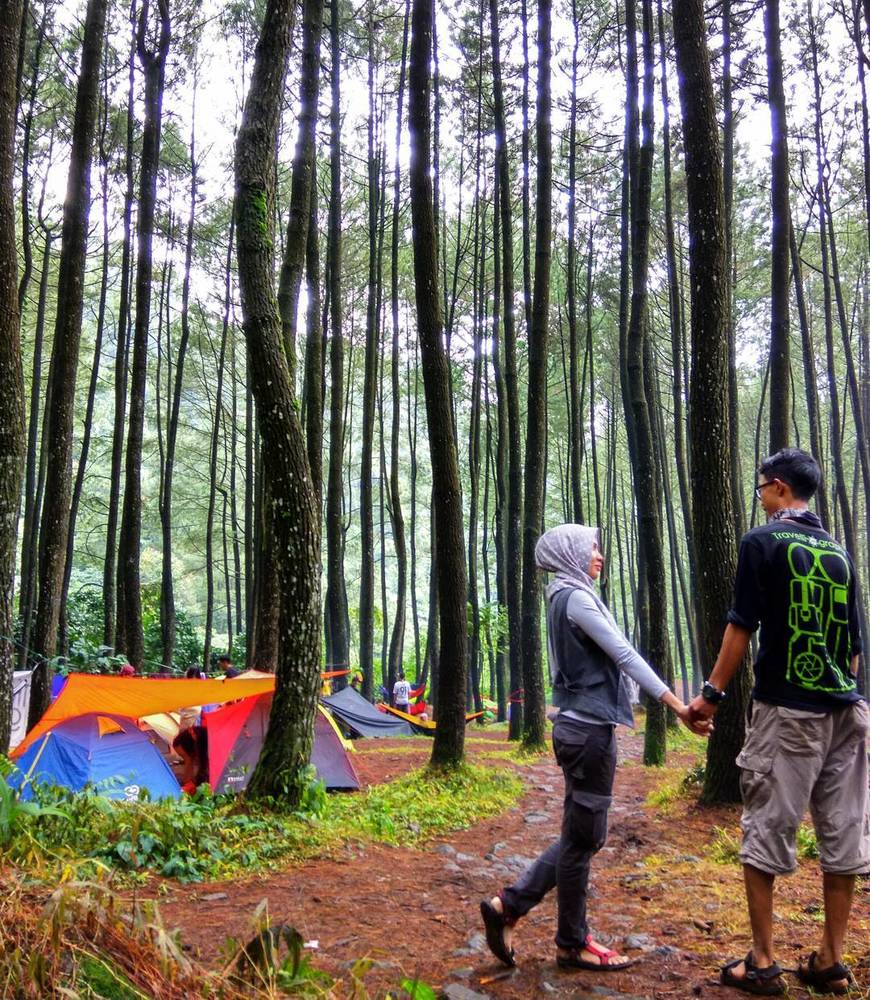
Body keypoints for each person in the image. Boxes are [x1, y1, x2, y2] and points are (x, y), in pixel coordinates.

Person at [480, 523, 710, 972]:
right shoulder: (577, 599)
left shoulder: (561, 595)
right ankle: (569, 940)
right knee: (584, 839)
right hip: (587, 734)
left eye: (601, 547)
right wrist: (677, 705)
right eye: (591, 548)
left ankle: (511, 905)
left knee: (579, 836)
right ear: (570, 553)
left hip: (575, 728)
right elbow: (624, 654)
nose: (599, 555)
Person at [687, 449, 869, 997]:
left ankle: (763, 963)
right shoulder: (840, 554)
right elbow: (855, 649)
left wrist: (710, 696)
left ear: (779, 489)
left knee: (766, 828)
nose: (761, 497)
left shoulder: (761, 542)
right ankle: (830, 962)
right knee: (843, 834)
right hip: (848, 710)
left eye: (763, 488)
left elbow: (741, 627)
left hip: (789, 712)